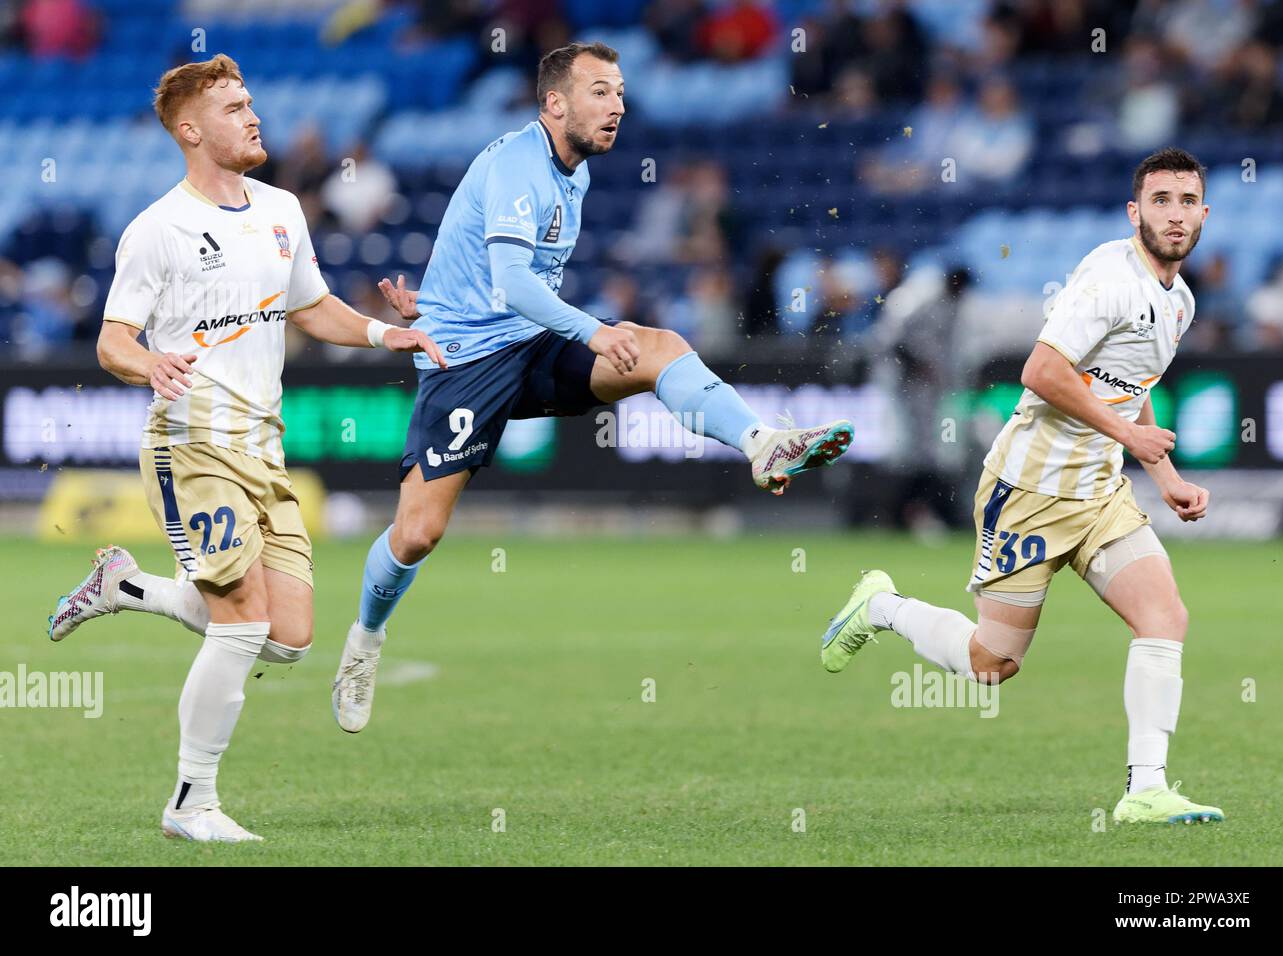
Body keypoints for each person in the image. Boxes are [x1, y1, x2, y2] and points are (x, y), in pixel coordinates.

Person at [331, 42, 855, 733]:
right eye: (601, 92)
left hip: (528, 343)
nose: (618, 107)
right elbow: (512, 283)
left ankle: (761, 443)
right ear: (555, 104)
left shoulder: (571, 171)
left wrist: (456, 297)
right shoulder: (521, 162)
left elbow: (490, 268)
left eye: (621, 93)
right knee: (418, 535)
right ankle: (365, 642)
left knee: (659, 348)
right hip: (464, 362)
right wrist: (591, 330)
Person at [46, 54, 443, 842]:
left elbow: (312, 307)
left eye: (251, 101)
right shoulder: (157, 229)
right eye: (233, 107)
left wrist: (384, 333)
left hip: (264, 448)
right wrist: (149, 362)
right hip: (191, 443)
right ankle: (191, 803)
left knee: (287, 638)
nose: (253, 115)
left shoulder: (282, 209)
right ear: (191, 130)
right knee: (237, 624)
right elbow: (112, 342)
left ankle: (125, 588)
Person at [819, 147, 1224, 826]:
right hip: (1030, 491)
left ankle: (1145, 789)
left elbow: (1132, 388)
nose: (1175, 215)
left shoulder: (1177, 301)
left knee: (1165, 617)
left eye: (1187, 202)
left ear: (1204, 214)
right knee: (991, 665)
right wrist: (1130, 441)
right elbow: (1040, 370)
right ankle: (882, 605)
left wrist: (1165, 475)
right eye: (1161, 200)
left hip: (1097, 494)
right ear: (1136, 212)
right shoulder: (1109, 279)